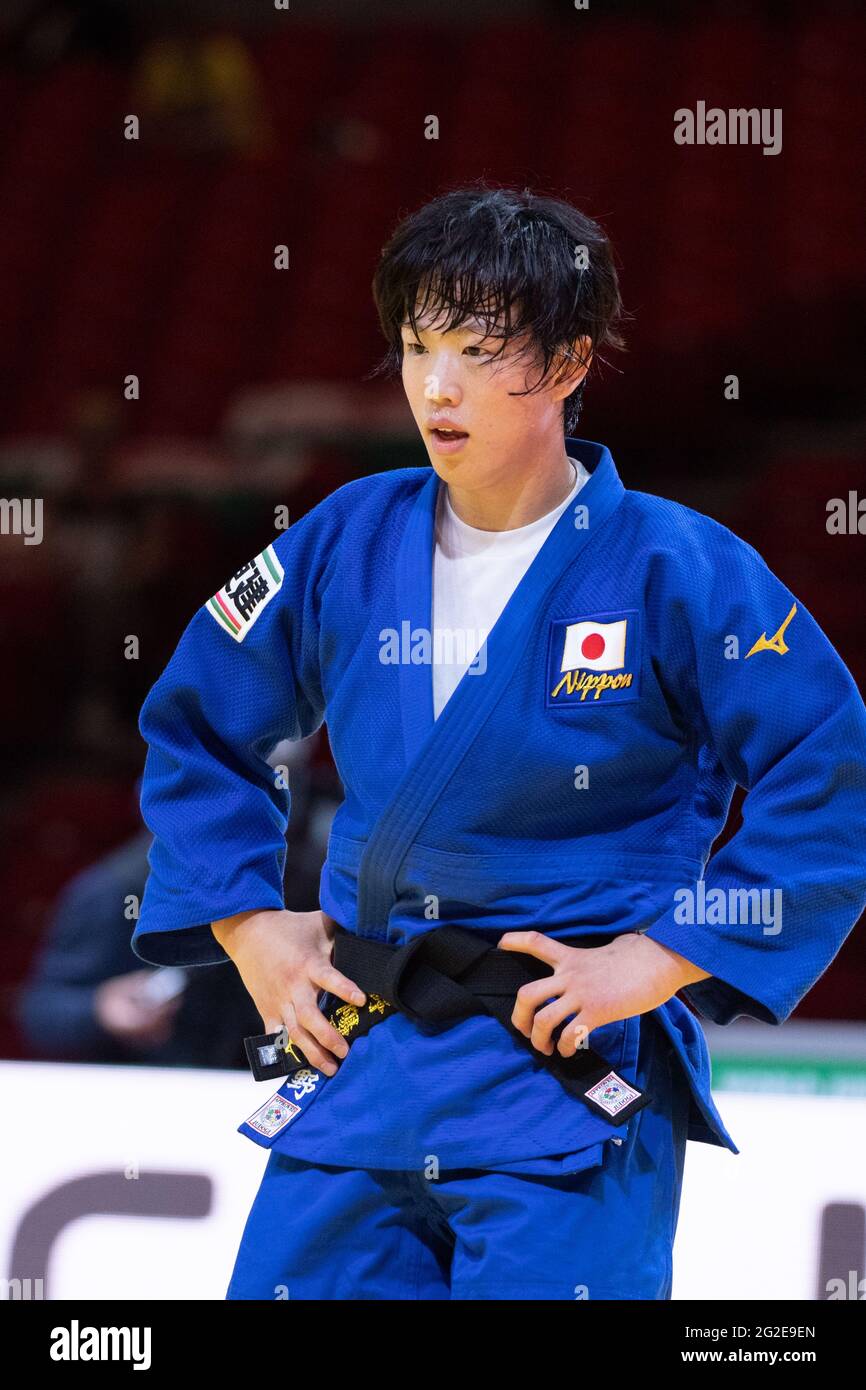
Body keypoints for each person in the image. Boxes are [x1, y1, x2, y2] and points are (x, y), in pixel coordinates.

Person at [132, 184, 866, 1301]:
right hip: (361, 1059)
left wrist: (660, 957)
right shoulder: (344, 537)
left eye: (477, 350)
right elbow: (196, 725)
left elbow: (830, 773)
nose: (435, 386)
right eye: (417, 345)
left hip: (560, 1074)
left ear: (569, 364)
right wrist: (244, 925)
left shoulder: (676, 567)